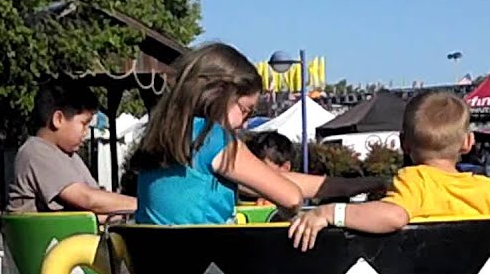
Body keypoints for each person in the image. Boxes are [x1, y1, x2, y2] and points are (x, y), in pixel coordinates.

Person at [131, 42, 387, 225]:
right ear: (219, 94)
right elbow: (290, 195)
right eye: (245, 110)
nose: (245, 122)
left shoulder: (164, 138)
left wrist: (362, 184)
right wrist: (297, 216)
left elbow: (274, 181)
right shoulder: (214, 138)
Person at [287, 90, 490, 251]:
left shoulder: (413, 181)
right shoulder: (486, 188)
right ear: (468, 142)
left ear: (403, 143)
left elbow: (393, 215)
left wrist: (328, 212)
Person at [6, 80, 137, 218]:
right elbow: (88, 199)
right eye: (84, 123)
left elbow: (95, 202)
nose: (86, 132)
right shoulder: (35, 152)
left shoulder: (70, 156)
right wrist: (141, 205)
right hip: (45, 237)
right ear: (58, 119)